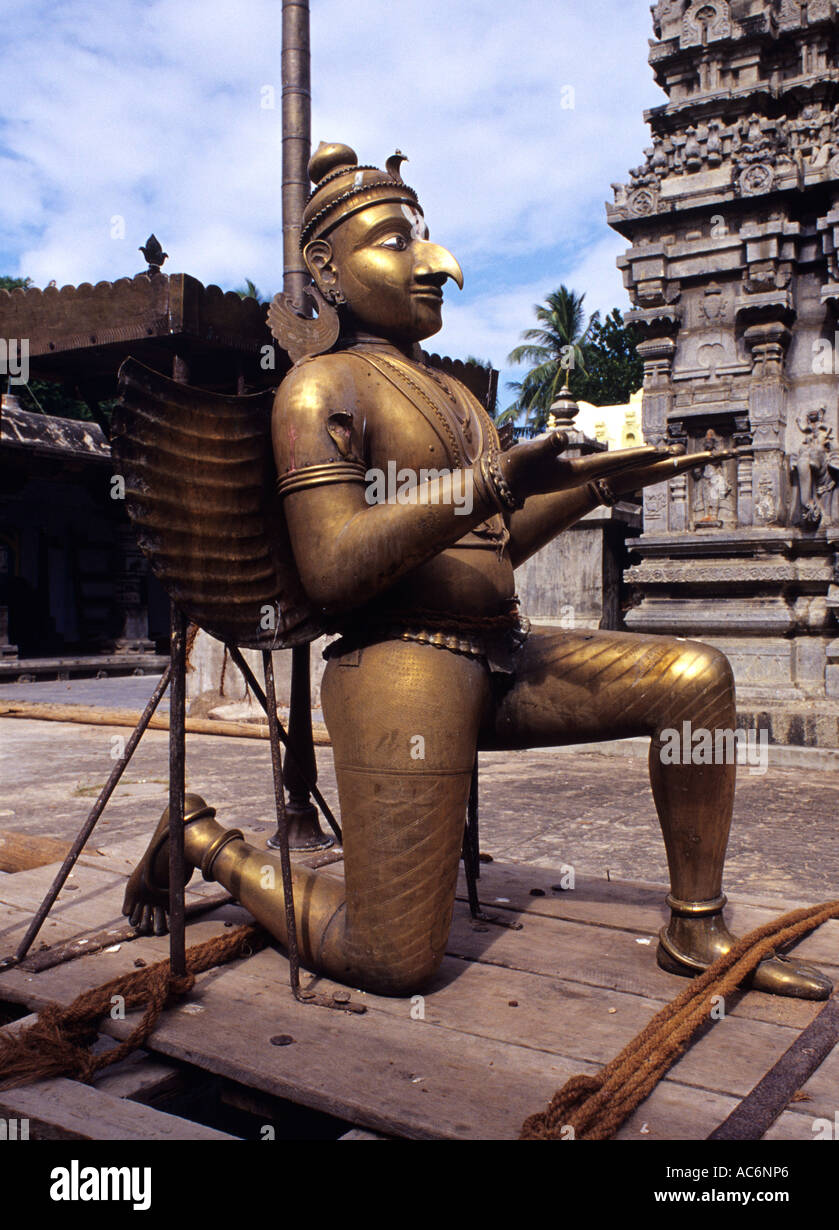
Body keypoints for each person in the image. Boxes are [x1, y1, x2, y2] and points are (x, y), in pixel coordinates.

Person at [124, 143, 830, 1001]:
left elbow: (491, 548)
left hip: (499, 656)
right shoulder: (319, 388)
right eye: (395, 241)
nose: (439, 264)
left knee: (696, 677)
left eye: (426, 237)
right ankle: (207, 842)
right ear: (326, 268)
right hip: (398, 665)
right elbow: (334, 564)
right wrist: (495, 478)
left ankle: (693, 923)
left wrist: (601, 481)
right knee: (391, 959)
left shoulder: (453, 396)